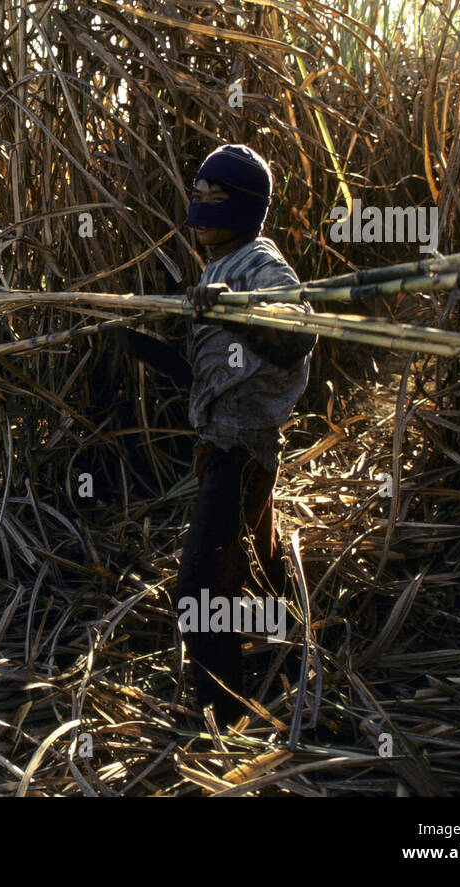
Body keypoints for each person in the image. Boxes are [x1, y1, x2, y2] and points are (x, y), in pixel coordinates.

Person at [115, 144, 316, 721]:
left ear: (246, 208)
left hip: (240, 447)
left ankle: (222, 719)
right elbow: (218, 368)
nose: (200, 209)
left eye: (214, 198)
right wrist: (146, 347)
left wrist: (238, 309)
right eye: (195, 196)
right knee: (259, 559)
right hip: (225, 442)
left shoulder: (259, 263)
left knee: (200, 591)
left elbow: (297, 333)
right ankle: (298, 657)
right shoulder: (218, 265)